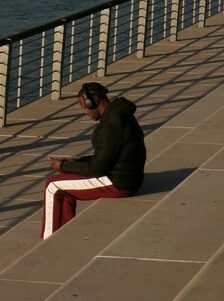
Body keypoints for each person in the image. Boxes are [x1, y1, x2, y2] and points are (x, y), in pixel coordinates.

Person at [41, 82, 146, 239]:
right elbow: (106, 156)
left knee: (52, 185)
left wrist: (63, 166)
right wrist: (72, 164)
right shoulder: (118, 115)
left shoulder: (111, 125)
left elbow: (97, 168)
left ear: (94, 102)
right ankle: (62, 235)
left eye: (85, 106)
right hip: (129, 177)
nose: (85, 112)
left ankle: (47, 240)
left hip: (119, 183)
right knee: (65, 185)